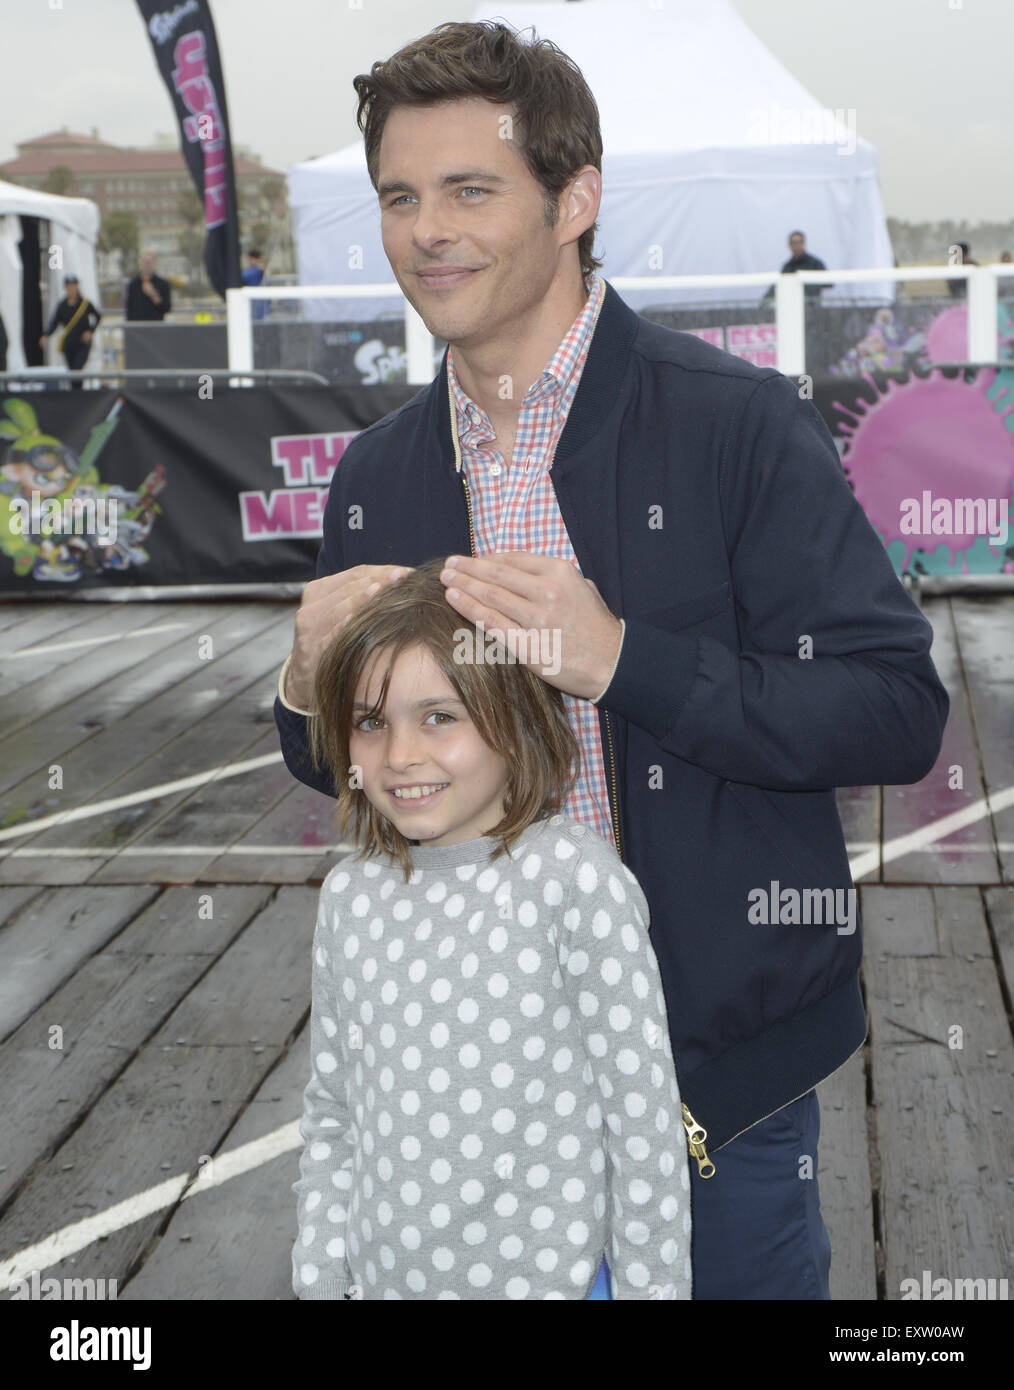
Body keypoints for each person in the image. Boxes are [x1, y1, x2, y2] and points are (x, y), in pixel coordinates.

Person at [273, 20, 949, 1300]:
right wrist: (306, 683)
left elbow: (895, 709)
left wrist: (624, 658)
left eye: (472, 189)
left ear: (575, 198)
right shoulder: (378, 475)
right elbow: (346, 760)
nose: (428, 230)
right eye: (401, 197)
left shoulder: (738, 426)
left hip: (718, 1080)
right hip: (458, 1105)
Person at [290, 559, 693, 1301]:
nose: (401, 756)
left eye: (440, 716)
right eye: (370, 723)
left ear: (515, 718)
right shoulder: (350, 898)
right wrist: (320, 1278)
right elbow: (335, 1112)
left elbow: (642, 1136)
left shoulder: (575, 883)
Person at [39, 274, 101, 387]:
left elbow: (97, 316)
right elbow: (55, 322)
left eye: (73, 286)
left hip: (82, 344)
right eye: (68, 286)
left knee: (77, 370)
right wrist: (46, 335)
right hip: (69, 345)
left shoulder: (84, 304)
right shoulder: (62, 305)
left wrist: (90, 331)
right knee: (72, 372)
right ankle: (75, 394)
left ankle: (77, 394)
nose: (71, 289)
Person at [125, 252, 172, 321]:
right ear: (140, 263)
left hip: (156, 327)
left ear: (155, 263)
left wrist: (153, 295)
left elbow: (167, 308)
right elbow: (129, 309)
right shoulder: (133, 284)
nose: (147, 264)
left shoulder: (163, 284)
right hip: (136, 327)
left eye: (149, 262)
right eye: (144, 261)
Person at [241, 248, 269, 320]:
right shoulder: (258, 271)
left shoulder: (255, 272)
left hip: (256, 308)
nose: (250, 261)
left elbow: (242, 278)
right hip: (257, 309)